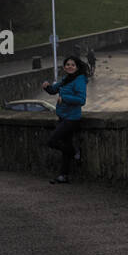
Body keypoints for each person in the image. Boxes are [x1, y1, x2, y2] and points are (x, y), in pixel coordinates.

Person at [42, 56, 87, 184]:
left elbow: (82, 100)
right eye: (67, 64)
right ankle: (63, 175)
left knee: (52, 141)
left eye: (73, 65)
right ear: (64, 67)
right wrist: (47, 87)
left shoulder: (80, 80)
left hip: (72, 119)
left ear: (77, 67)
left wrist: (65, 98)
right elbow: (53, 90)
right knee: (65, 145)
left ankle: (74, 152)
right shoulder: (65, 79)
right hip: (63, 117)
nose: (70, 66)